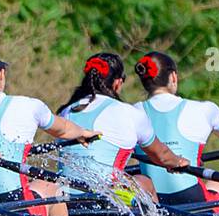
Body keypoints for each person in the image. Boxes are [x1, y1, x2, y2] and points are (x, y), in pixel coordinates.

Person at [0, 49, 98, 216]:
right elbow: (64, 130)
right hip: (17, 207)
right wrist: (82, 132)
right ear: (1, 74)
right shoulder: (28, 105)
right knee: (53, 185)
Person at [132, 50, 219, 205]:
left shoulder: (132, 112)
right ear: (173, 77)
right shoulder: (203, 109)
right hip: (193, 199)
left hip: (154, 200)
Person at [55, 52, 191, 200]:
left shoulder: (65, 111)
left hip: (65, 198)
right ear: (117, 83)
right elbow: (162, 156)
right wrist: (178, 162)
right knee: (145, 182)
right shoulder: (129, 113)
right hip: (104, 200)